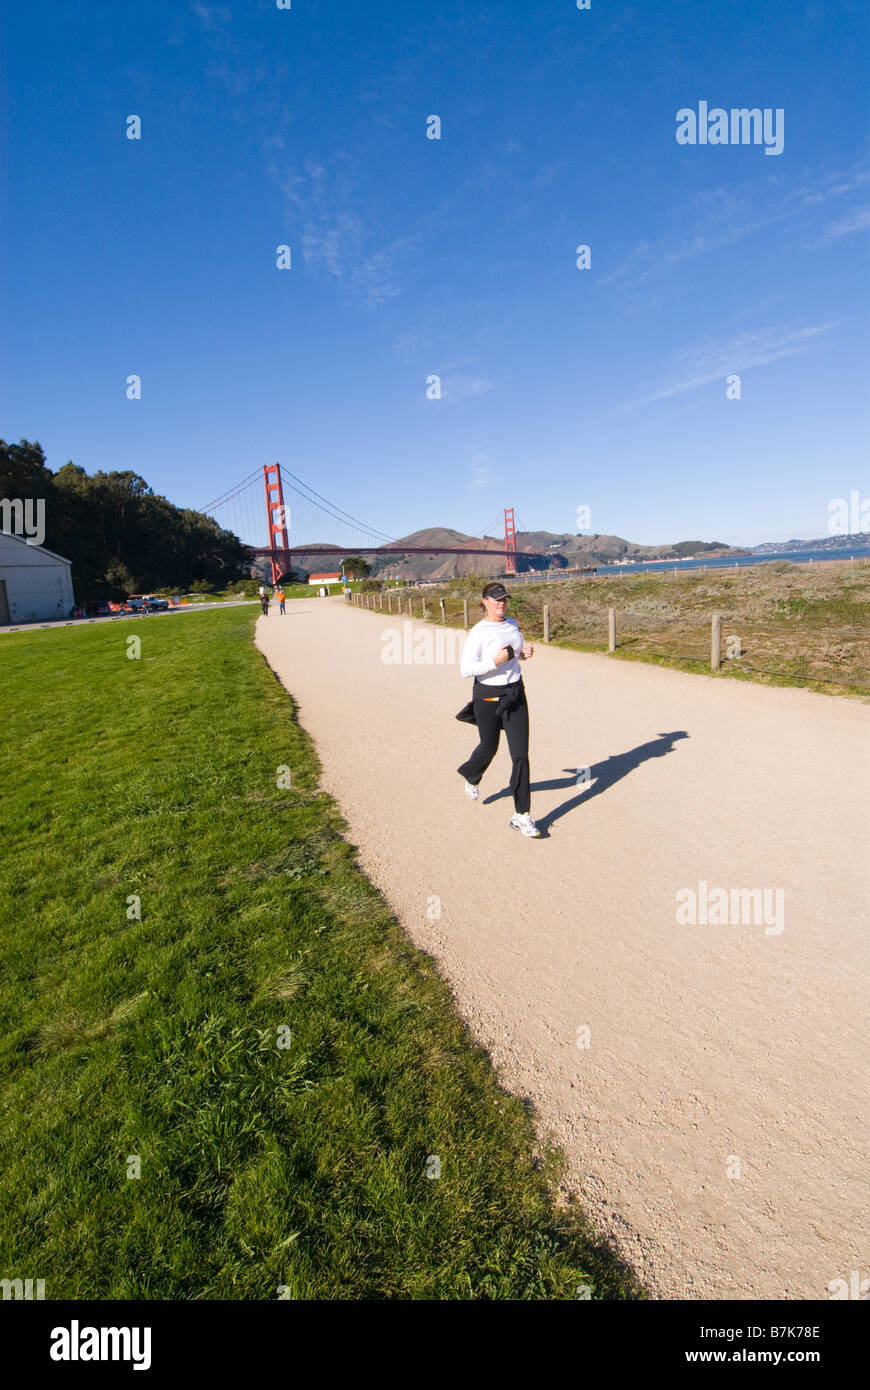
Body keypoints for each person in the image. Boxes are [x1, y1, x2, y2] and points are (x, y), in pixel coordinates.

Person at [456, 581, 539, 836]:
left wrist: (523, 654)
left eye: (504, 599)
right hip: (488, 697)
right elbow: (466, 670)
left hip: (515, 693)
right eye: (496, 599)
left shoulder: (512, 624)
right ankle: (472, 774)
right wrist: (494, 661)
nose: (501, 603)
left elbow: (513, 655)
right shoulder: (479, 632)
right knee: (489, 747)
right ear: (485, 602)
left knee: (520, 755)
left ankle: (521, 814)